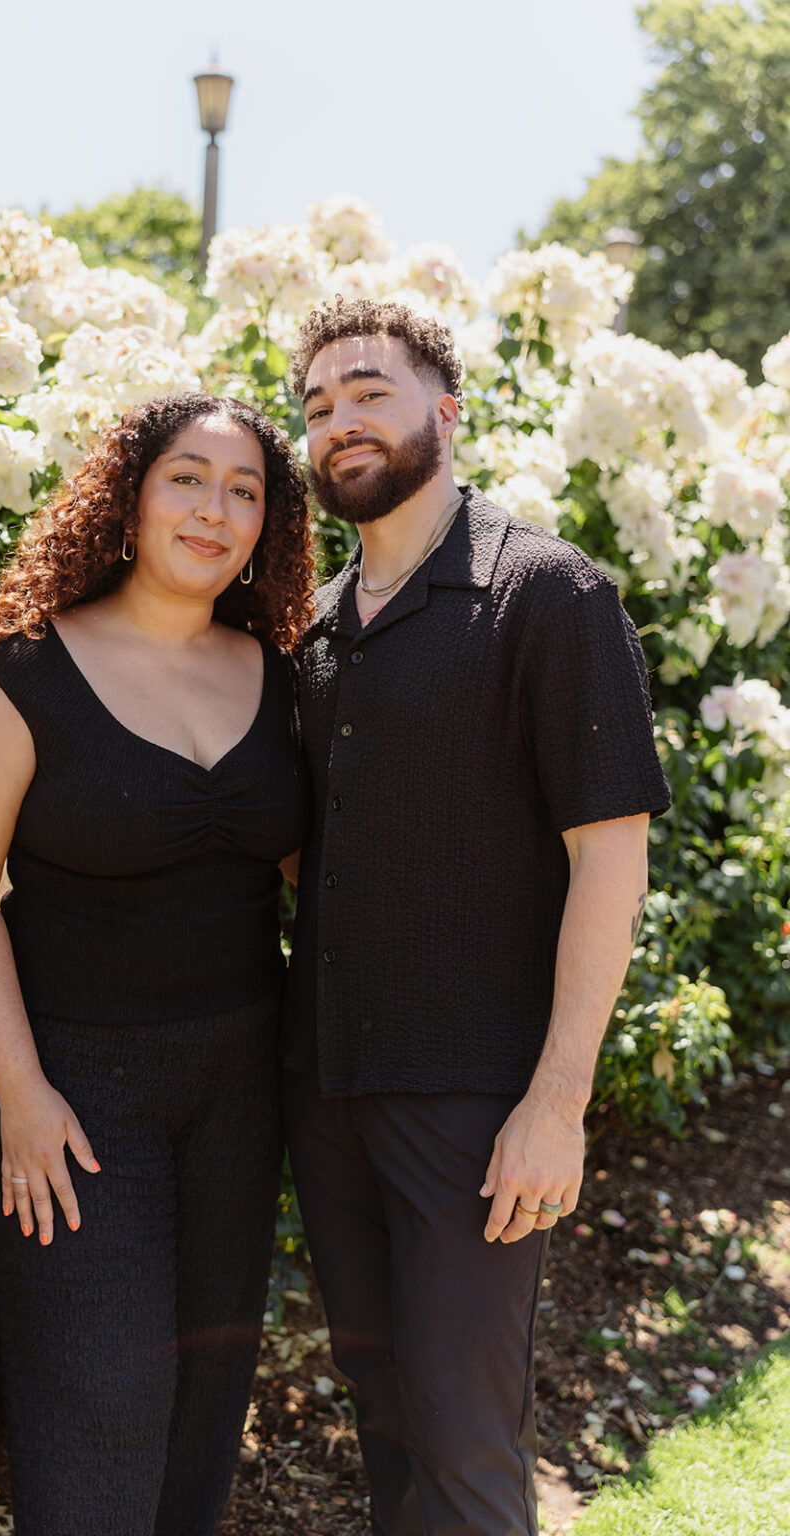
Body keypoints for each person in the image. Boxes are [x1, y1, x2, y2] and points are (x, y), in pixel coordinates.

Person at [281, 298, 671, 1536]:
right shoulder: (319, 630)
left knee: (460, 1438)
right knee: (385, 1417)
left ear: (446, 413)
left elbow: (611, 861)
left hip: (476, 1101)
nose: (341, 421)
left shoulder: (546, 594)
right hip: (331, 1088)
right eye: (319, 405)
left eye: (368, 392)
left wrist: (555, 1105)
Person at [0, 392, 314, 1536]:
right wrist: (22, 1094)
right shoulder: (22, 679)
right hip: (74, 1095)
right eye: (188, 478)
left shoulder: (277, 676)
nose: (214, 510)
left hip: (238, 1084)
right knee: (101, 1402)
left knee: (204, 1396)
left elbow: (305, 867)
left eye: (245, 492)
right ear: (129, 498)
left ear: (266, 529)